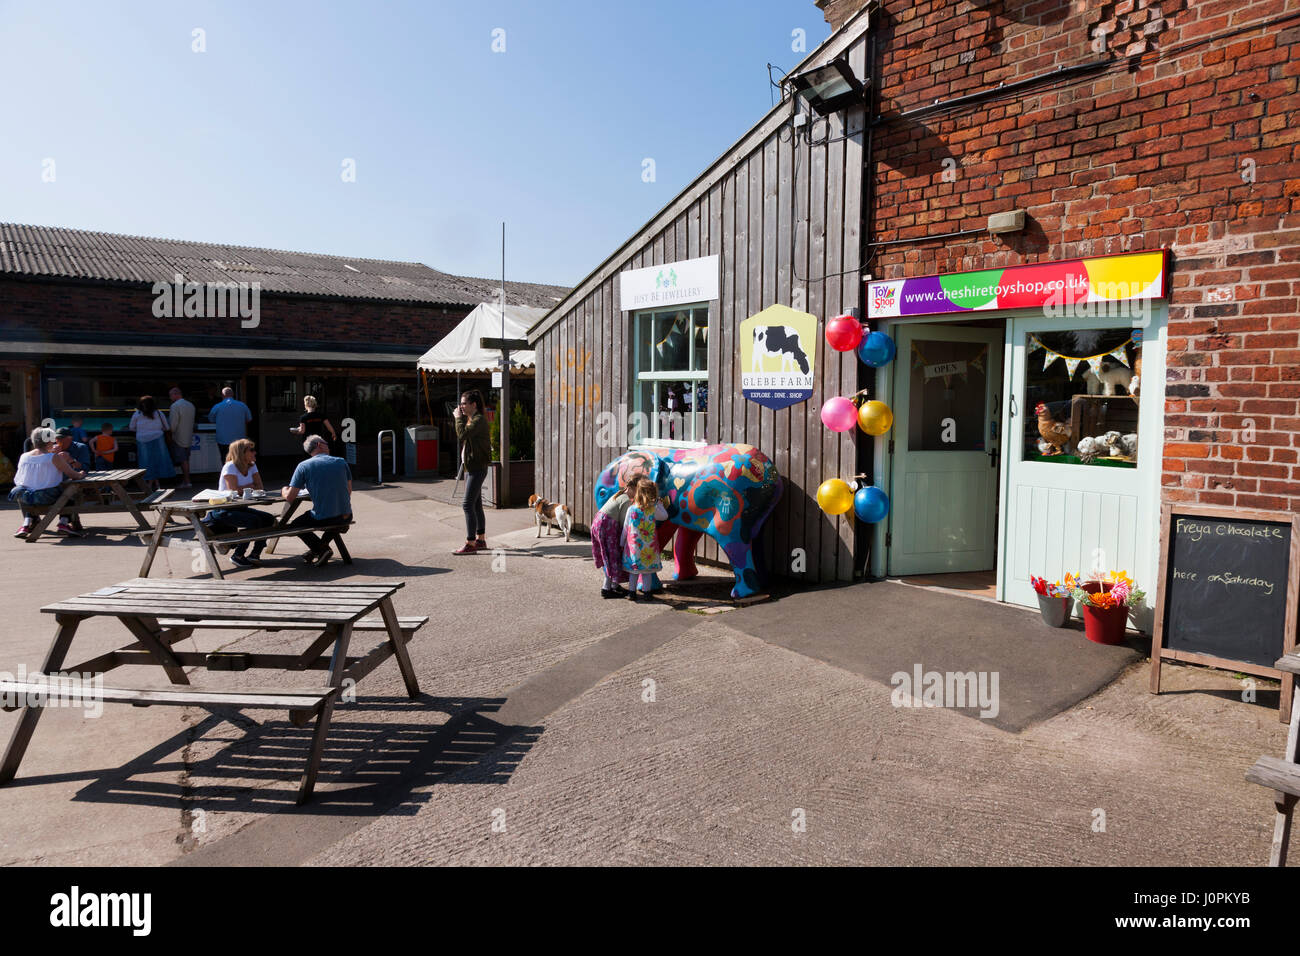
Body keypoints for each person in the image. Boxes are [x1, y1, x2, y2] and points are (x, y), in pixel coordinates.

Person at [282, 434, 352, 567]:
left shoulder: (303, 466)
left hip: (325, 517)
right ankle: (317, 549)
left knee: (295, 525)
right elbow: (348, 491)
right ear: (319, 445)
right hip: (346, 516)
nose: (328, 445)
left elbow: (290, 497)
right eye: (326, 442)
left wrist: (283, 490)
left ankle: (321, 549)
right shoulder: (341, 462)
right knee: (333, 516)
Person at [204, 439, 273, 568]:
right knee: (254, 521)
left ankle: (255, 554)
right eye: (251, 450)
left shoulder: (252, 465)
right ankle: (238, 555)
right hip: (224, 510)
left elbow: (260, 487)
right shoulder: (230, 466)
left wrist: (246, 488)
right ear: (241, 452)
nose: (255, 452)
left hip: (240, 508)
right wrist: (250, 486)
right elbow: (233, 491)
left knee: (268, 519)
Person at [9, 427, 85, 537]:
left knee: (28, 492)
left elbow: (19, 479)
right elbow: (73, 475)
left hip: (26, 497)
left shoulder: (24, 456)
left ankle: (26, 524)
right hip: (48, 496)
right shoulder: (53, 457)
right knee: (68, 495)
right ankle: (63, 524)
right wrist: (81, 474)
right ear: (49, 441)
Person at [452, 389, 490, 555]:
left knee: (467, 504)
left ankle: (470, 543)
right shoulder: (472, 419)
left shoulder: (478, 420)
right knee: (476, 504)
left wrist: (457, 419)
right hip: (472, 467)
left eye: (464, 403)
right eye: (460, 403)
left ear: (473, 404)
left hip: (476, 468)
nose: (461, 406)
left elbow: (462, 435)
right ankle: (480, 539)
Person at [622, 477, 668, 601]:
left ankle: (632, 593)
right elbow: (664, 516)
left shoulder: (631, 509)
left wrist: (622, 542)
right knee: (647, 572)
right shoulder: (652, 510)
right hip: (649, 548)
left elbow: (626, 527)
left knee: (634, 572)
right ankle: (647, 594)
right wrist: (659, 504)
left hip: (634, 547)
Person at [591, 481, 634, 598]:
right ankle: (606, 589)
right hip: (607, 526)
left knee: (609, 556)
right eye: (636, 491)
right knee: (611, 556)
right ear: (630, 488)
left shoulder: (619, 495)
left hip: (599, 523)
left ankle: (614, 586)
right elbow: (624, 523)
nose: (636, 494)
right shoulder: (626, 500)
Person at [129, 395, 174, 490]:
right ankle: (156, 483)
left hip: (142, 439)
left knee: (146, 462)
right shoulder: (159, 413)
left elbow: (131, 428)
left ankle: (150, 484)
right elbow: (167, 427)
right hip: (158, 438)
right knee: (158, 460)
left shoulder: (137, 414)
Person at [209, 386, 252, 462]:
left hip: (223, 439)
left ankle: (227, 473)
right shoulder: (242, 405)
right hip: (239, 439)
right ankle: (238, 473)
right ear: (233, 395)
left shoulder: (217, 406)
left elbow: (211, 419)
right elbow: (249, 419)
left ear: (222, 395)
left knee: (225, 459)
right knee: (239, 459)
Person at [167, 386, 196, 489]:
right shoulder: (190, 405)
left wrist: (169, 433)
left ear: (176, 394)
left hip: (178, 437)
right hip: (188, 436)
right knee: (186, 460)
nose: (170, 397)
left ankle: (187, 482)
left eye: (170, 395)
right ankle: (186, 481)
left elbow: (173, 425)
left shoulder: (175, 406)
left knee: (183, 460)